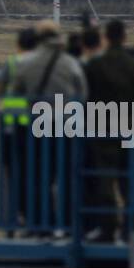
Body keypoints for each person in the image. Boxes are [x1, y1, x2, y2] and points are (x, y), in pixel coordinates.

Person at [8, 20, 88, 232]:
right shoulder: (70, 62)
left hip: (37, 125)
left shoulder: (26, 62)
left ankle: (40, 221)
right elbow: (84, 93)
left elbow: (16, 94)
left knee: (37, 175)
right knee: (68, 175)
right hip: (67, 125)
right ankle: (69, 222)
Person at [81, 20, 134, 241]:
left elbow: (86, 94)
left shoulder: (97, 65)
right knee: (131, 180)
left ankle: (107, 227)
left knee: (104, 181)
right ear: (124, 37)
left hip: (103, 126)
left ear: (106, 37)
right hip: (129, 124)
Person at [0, 27, 37, 227]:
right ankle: (37, 212)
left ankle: (19, 211)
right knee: (37, 169)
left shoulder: (12, 63)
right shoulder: (41, 63)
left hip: (11, 124)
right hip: (38, 124)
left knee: (13, 170)